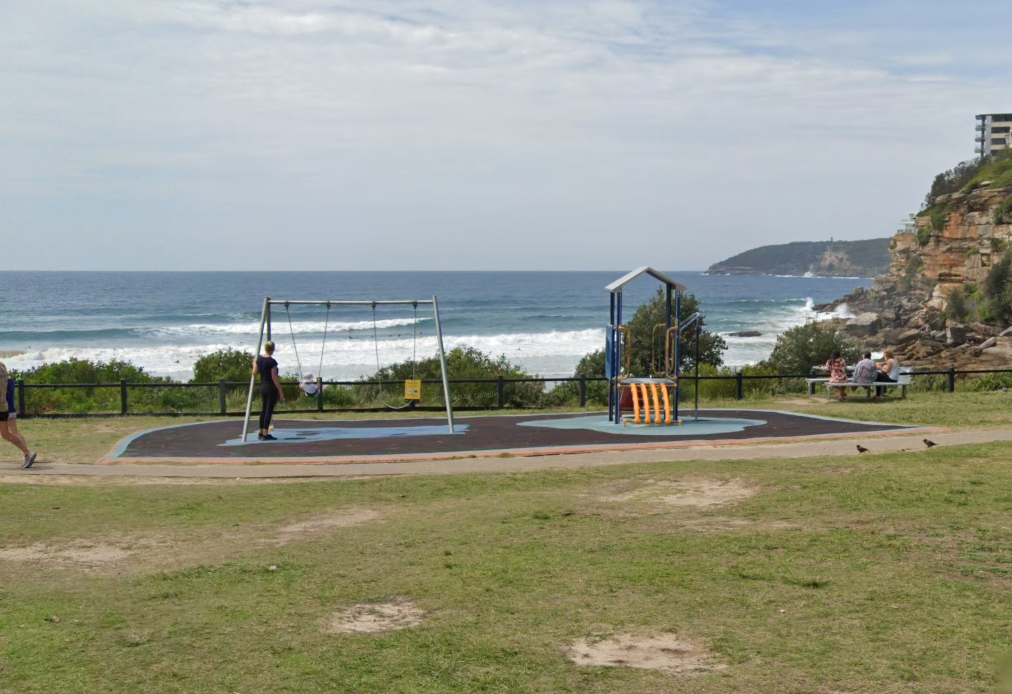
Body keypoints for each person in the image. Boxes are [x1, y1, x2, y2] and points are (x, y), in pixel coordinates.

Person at [0, 362, 36, 468]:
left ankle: (27, 453)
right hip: (8, 408)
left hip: (4, 409)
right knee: (12, 433)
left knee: (7, 434)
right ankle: (27, 454)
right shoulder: (8, 378)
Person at [252, 341, 285, 441]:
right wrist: (280, 391)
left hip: (262, 386)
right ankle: (265, 433)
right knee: (268, 410)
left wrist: (254, 364)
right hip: (270, 387)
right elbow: (274, 377)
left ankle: (261, 431)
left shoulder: (259, 359)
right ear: (272, 349)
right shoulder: (272, 362)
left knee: (263, 409)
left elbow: (254, 373)